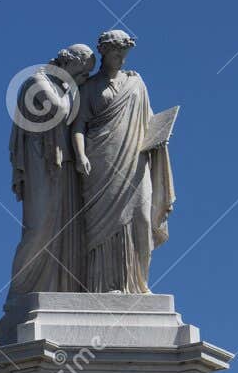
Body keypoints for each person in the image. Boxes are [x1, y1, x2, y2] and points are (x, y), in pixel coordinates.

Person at [71, 30, 174, 293]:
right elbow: (79, 125)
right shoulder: (90, 88)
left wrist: (160, 136)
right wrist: (80, 155)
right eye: (117, 54)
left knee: (140, 217)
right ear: (104, 53)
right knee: (104, 226)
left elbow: (147, 118)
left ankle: (138, 284)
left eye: (124, 55)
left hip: (136, 158)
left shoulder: (136, 83)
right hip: (101, 160)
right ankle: (105, 286)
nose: (122, 60)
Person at [7, 43, 94, 296]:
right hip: (41, 162)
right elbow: (59, 109)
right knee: (41, 224)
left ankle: (61, 289)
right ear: (67, 63)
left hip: (63, 164)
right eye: (81, 73)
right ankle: (22, 292)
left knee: (66, 226)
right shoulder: (37, 80)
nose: (82, 80)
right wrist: (78, 89)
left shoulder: (65, 87)